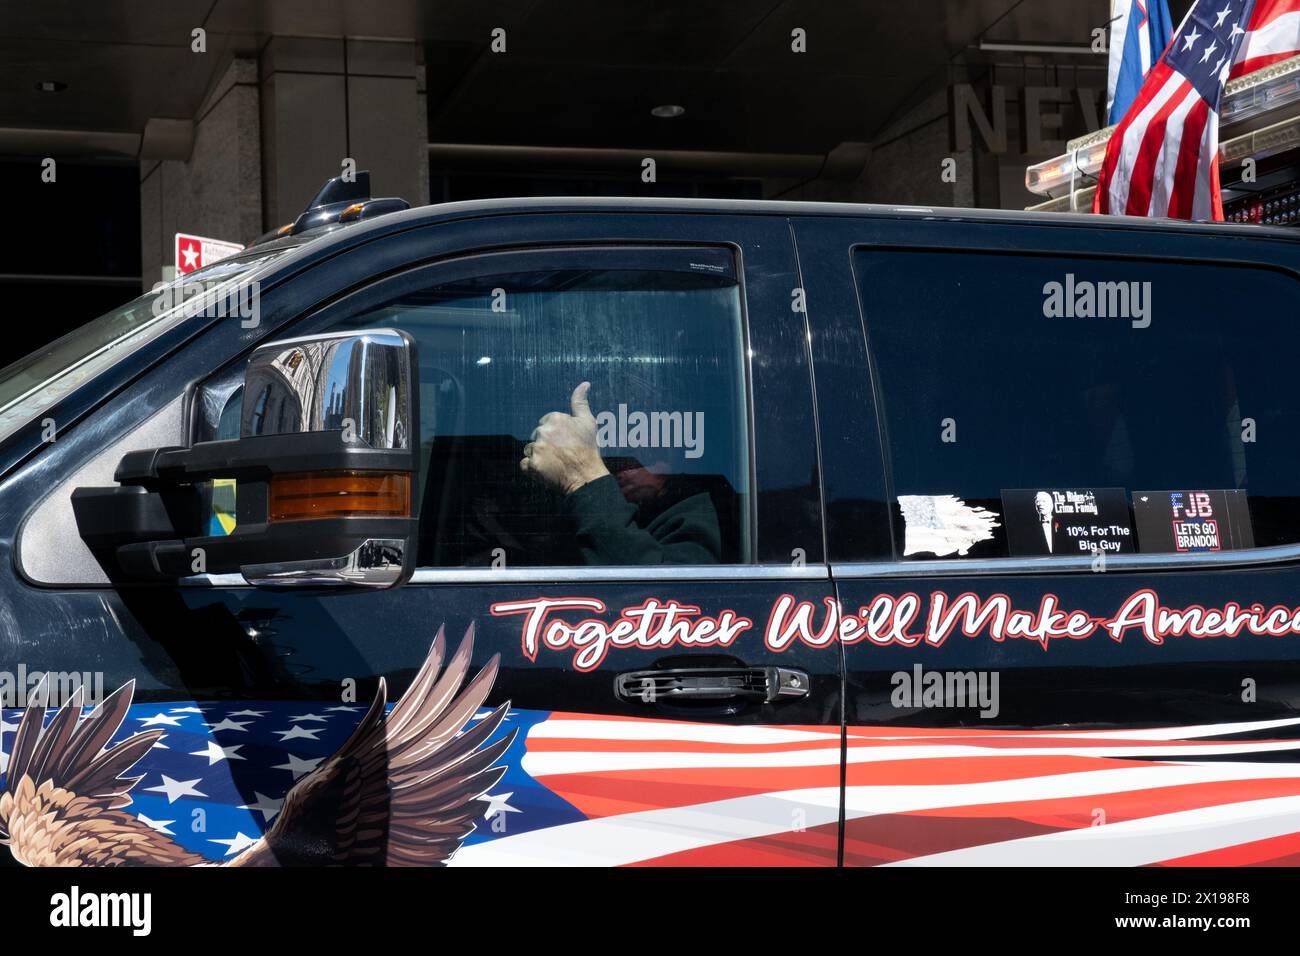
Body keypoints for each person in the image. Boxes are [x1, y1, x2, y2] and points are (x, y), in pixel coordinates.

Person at [520, 382, 721, 565]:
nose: (618, 472)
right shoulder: (570, 510)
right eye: (612, 458)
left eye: (637, 457)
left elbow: (667, 589)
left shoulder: (695, 514)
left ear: (671, 460)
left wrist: (581, 476)